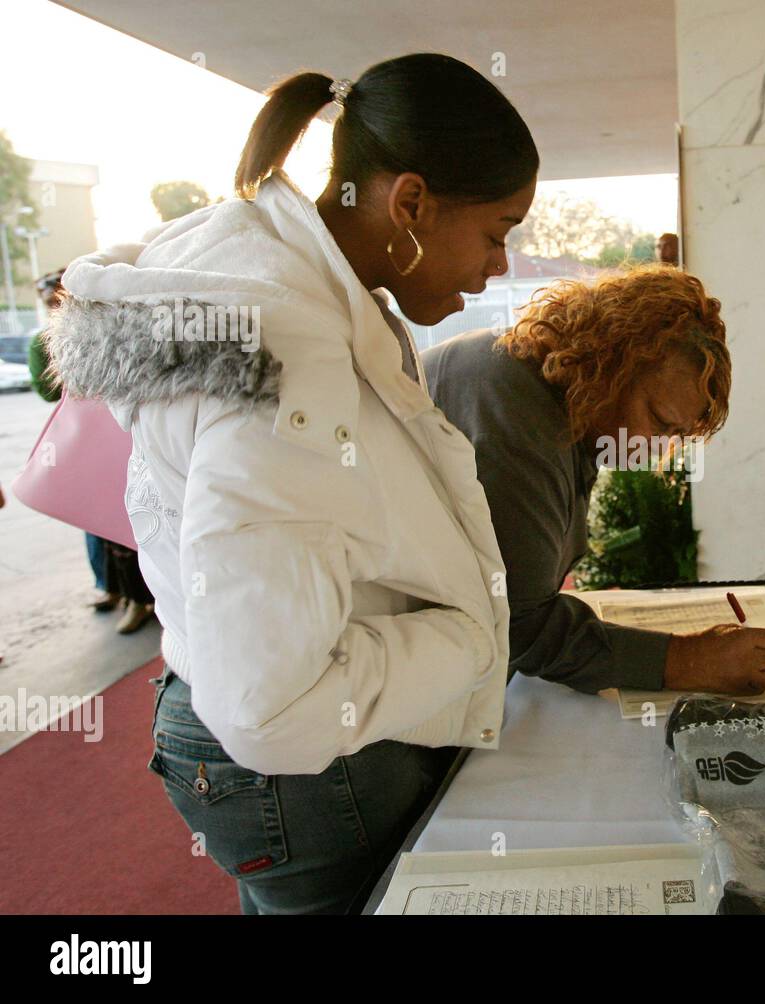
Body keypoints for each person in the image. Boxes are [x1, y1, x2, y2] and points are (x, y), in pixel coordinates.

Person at [47, 53, 538, 913]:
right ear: (411, 203)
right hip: (304, 775)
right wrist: (468, 640)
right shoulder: (292, 351)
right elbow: (270, 709)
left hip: (261, 754)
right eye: (497, 231)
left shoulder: (277, 282)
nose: (499, 263)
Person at [422, 264, 765, 698]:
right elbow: (517, 623)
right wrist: (689, 661)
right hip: (373, 735)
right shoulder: (518, 419)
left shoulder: (554, 397)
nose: (658, 449)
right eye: (658, 420)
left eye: (676, 436)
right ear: (610, 361)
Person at [27, 269, 151, 629]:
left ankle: (138, 597)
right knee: (96, 518)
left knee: (131, 515)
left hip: (125, 432)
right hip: (93, 437)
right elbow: (48, 389)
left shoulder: (119, 324)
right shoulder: (51, 339)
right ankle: (111, 586)